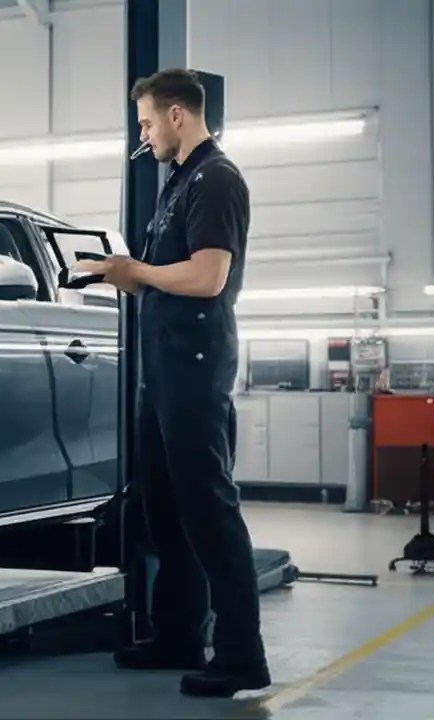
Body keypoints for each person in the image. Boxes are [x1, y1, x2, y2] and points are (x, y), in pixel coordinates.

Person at [77, 68, 270, 698]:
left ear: (177, 115)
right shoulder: (178, 183)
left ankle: (242, 656)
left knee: (208, 510)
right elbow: (167, 275)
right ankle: (180, 636)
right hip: (161, 372)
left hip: (194, 368)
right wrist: (119, 273)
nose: (144, 135)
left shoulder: (217, 180)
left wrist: (138, 271)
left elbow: (209, 277)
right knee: (163, 509)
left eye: (146, 123)